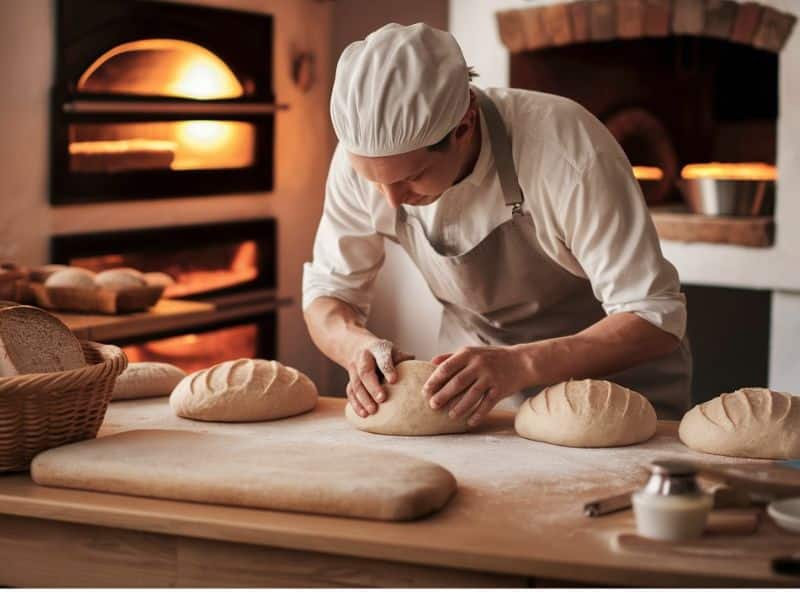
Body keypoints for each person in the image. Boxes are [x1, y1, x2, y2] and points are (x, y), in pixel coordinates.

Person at [303, 23, 692, 425]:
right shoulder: (363, 158)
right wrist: (355, 347)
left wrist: (521, 364)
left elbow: (653, 317)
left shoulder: (567, 149)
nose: (391, 199)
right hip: (477, 402)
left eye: (412, 177)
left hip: (612, 398)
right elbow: (330, 294)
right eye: (373, 180)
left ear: (465, 125)